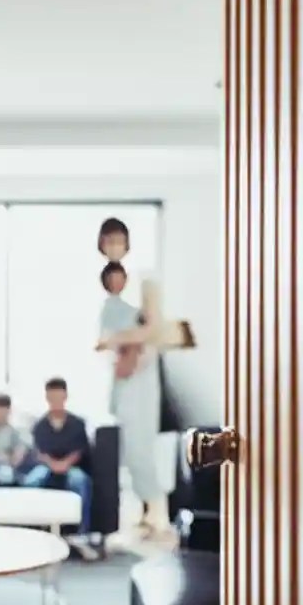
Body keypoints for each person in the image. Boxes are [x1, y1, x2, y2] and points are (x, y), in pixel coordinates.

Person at [96, 218, 175, 541]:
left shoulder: (145, 282)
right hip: (122, 378)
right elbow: (104, 340)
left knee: (142, 448)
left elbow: (152, 330)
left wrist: (122, 341)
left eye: (118, 240)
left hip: (141, 374)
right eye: (108, 241)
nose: (113, 247)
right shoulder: (108, 297)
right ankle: (144, 513)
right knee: (130, 451)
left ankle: (157, 515)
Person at [23, 377, 100, 559]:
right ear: (47, 398)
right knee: (31, 482)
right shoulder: (39, 425)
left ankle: (81, 535)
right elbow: (39, 452)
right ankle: (34, 533)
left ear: (65, 397)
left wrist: (65, 463)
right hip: (47, 466)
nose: (56, 402)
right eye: (52, 398)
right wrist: (53, 464)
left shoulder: (77, 423)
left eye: (59, 397)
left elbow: (81, 450)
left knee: (81, 482)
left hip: (71, 466)